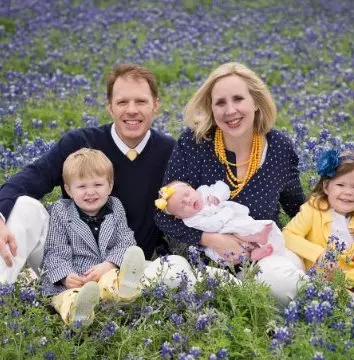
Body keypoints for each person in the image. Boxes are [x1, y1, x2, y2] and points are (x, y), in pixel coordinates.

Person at [0, 63, 176, 283]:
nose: (131, 110)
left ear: (155, 105)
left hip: (129, 268)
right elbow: (28, 180)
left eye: (141, 101)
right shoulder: (79, 142)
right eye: (122, 102)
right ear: (110, 107)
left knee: (177, 269)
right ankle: (3, 290)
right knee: (23, 206)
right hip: (66, 265)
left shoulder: (171, 152)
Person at [155, 62, 306, 306]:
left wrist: (337, 229)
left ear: (256, 102)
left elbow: (298, 208)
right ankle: (238, 300)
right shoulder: (194, 144)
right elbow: (162, 215)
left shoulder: (278, 147)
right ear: (211, 108)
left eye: (238, 99)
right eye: (220, 103)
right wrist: (209, 238)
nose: (230, 110)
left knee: (281, 282)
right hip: (204, 260)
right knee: (173, 280)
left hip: (263, 257)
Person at [41, 148, 146, 327]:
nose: (90, 192)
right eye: (82, 186)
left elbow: (126, 240)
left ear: (110, 186)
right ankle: (77, 312)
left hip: (107, 273)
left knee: (113, 280)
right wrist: (66, 277)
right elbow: (55, 250)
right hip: (75, 279)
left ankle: (122, 291)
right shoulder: (61, 211)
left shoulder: (115, 207)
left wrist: (110, 264)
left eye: (98, 185)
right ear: (68, 190)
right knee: (66, 298)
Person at [283, 149, 354, 286]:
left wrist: (343, 278)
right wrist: (319, 254)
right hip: (309, 279)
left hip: (346, 284)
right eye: (340, 185)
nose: (348, 192)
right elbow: (288, 235)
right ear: (326, 186)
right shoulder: (313, 208)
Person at [155, 180, 288, 262]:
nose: (188, 201)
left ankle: (259, 243)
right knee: (236, 232)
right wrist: (226, 213)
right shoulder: (191, 220)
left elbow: (223, 186)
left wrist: (217, 196)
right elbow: (213, 226)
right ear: (179, 217)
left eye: (187, 194)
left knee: (245, 225)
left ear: (192, 188)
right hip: (221, 231)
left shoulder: (205, 191)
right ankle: (254, 250)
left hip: (232, 219)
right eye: (182, 206)